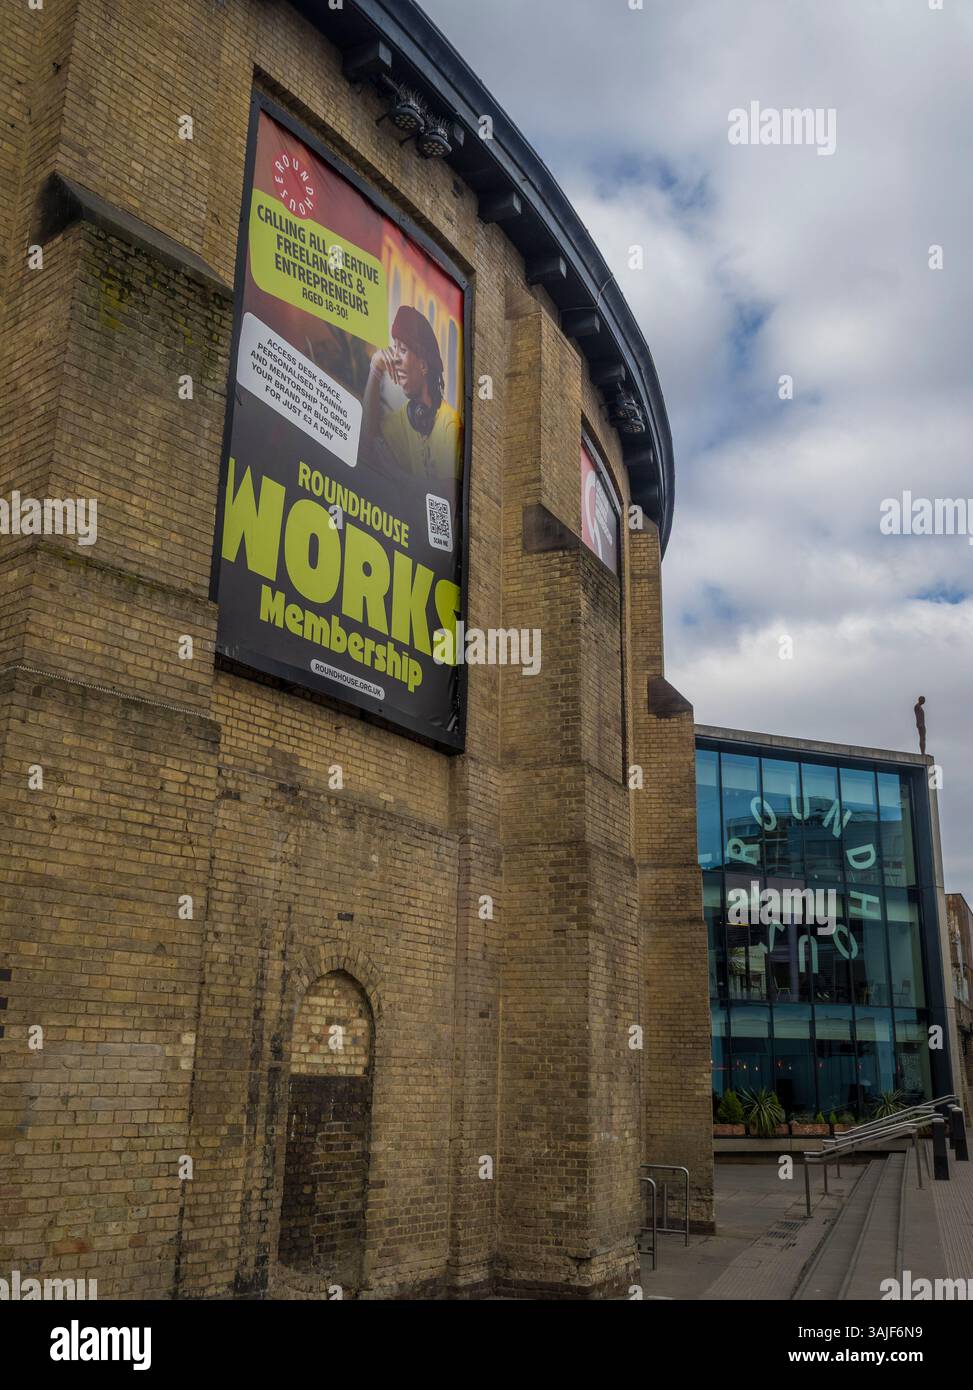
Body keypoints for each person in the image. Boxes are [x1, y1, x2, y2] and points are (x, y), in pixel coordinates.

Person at [362, 305, 462, 487]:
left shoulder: (450, 424)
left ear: (423, 366)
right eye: (394, 349)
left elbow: (447, 497)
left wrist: (398, 476)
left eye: (403, 350)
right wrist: (375, 369)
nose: (395, 359)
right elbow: (367, 445)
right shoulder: (401, 419)